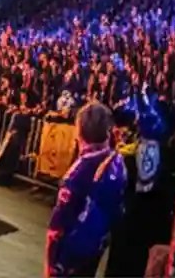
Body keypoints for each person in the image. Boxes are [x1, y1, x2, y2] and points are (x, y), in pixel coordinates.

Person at [45, 102, 128, 277]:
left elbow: (56, 229)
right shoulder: (117, 162)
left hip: (70, 256)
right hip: (96, 246)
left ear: (79, 131)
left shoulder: (78, 172)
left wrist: (50, 266)